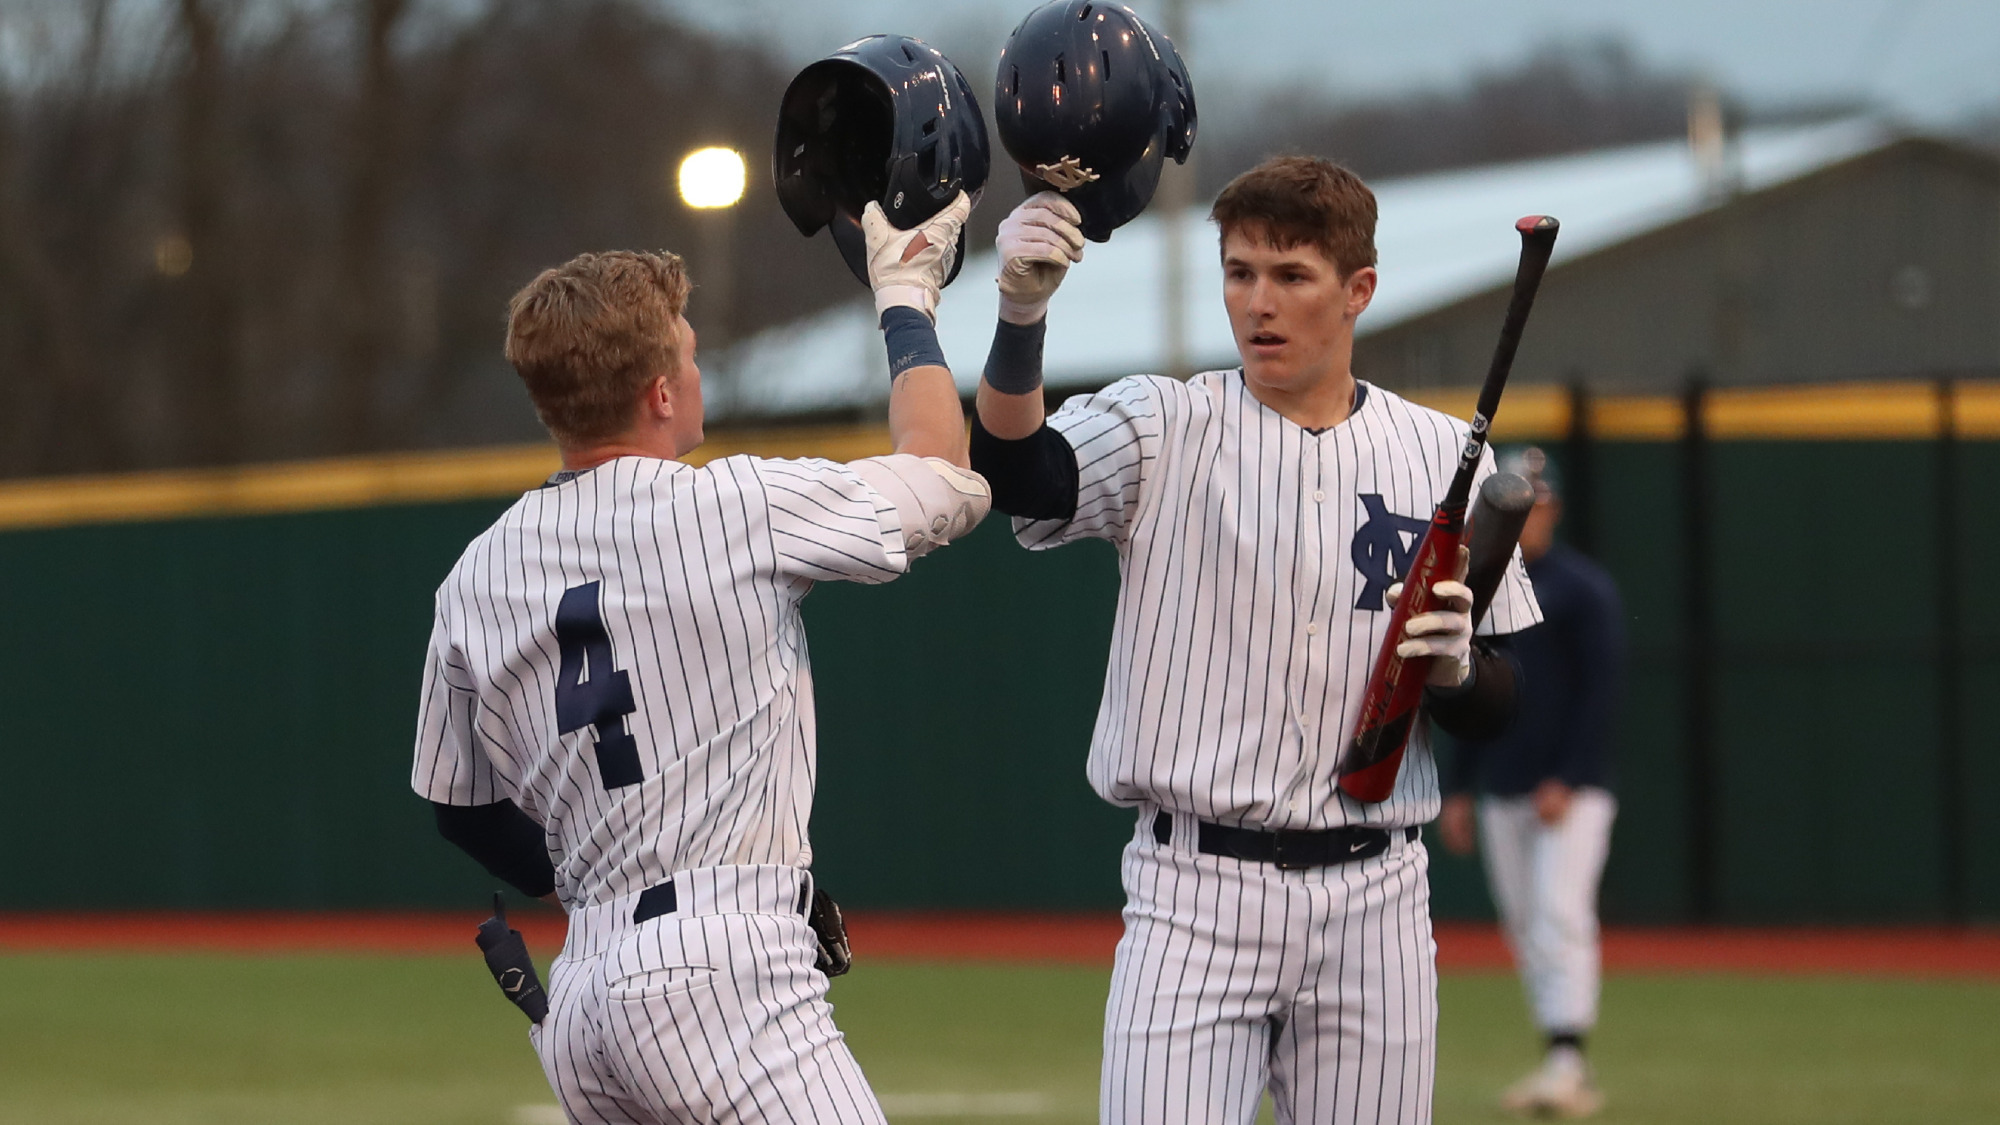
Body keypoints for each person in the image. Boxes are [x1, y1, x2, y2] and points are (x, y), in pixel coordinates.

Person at [968, 156, 1543, 1124]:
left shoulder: (1440, 452)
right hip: (1194, 893)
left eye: (1290, 275)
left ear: (1357, 289)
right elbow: (1016, 473)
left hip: (1375, 896)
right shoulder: (1162, 421)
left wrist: (1454, 672)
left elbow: (1501, 704)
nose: (1258, 302)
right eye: (1239, 271)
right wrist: (1020, 317)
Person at [410, 195, 989, 1124]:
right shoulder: (733, 506)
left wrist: (591, 887)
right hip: (718, 971)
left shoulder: (473, 577)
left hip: (584, 993)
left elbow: (460, 808)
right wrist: (906, 297)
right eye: (686, 351)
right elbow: (947, 473)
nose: (695, 366)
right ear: (660, 394)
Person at [1440, 447, 1625, 1119]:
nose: (1530, 516)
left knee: (1559, 912)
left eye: (1538, 504)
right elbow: (1465, 689)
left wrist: (1569, 776)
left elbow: (1602, 693)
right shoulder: (1484, 585)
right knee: (1524, 922)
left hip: (1570, 792)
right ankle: (1558, 1058)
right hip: (1503, 783)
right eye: (1520, 505)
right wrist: (1459, 788)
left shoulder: (1583, 588)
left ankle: (1569, 1058)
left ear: (1555, 509)